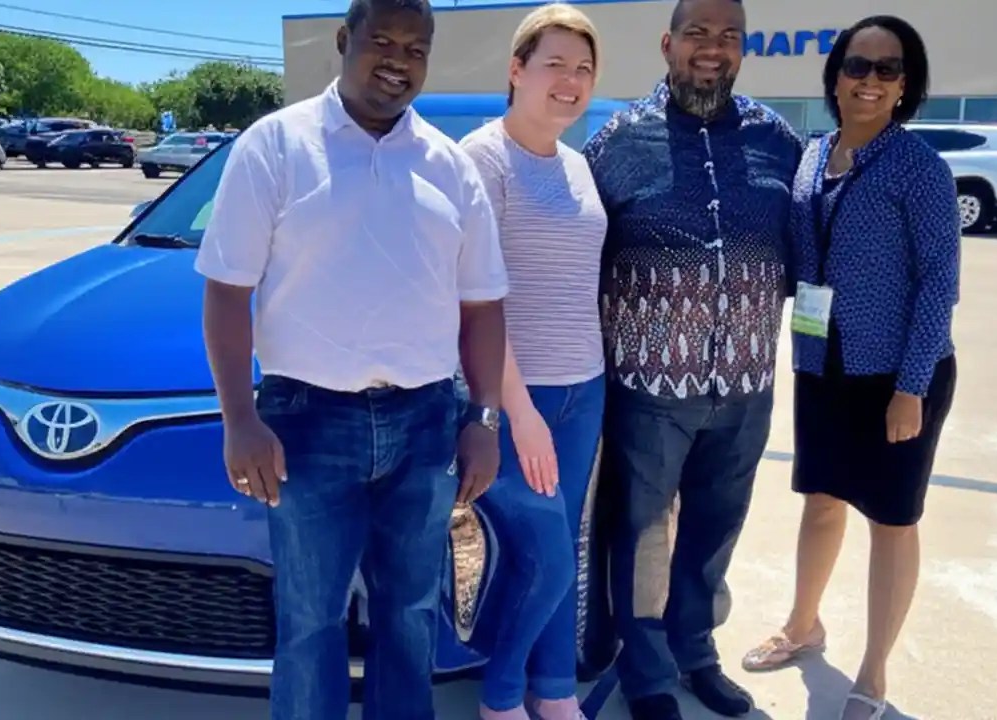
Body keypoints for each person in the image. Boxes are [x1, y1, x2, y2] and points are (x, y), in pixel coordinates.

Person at [194, 0, 510, 718]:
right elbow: (225, 290)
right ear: (344, 41)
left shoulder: (449, 167)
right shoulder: (274, 145)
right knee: (310, 621)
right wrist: (238, 418)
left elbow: (484, 306)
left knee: (409, 615)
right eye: (382, 41)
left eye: (416, 48)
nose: (398, 60)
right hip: (307, 423)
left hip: (426, 420)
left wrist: (483, 418)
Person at [580, 0, 804, 718]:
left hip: (745, 382)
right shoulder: (616, 142)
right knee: (643, 535)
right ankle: (645, 674)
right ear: (668, 44)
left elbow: (804, 257)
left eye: (729, 36)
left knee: (714, 531)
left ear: (743, 49)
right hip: (648, 388)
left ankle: (695, 654)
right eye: (698, 35)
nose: (713, 48)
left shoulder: (778, 142)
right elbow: (581, 259)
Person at [740, 15, 960, 720]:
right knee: (822, 500)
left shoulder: (919, 168)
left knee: (892, 519)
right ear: (834, 77)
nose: (869, 80)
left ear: (905, 86)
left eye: (887, 70)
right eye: (857, 66)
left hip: (897, 373)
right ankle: (804, 625)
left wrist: (911, 388)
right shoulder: (812, 156)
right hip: (822, 363)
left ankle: (874, 671)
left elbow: (938, 285)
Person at [457, 4, 607, 719]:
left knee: (559, 547)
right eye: (555, 64)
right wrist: (518, 412)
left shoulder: (579, 165)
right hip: (515, 395)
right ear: (516, 70)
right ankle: (501, 696)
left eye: (584, 69)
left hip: (586, 386)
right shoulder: (482, 161)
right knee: (546, 556)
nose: (571, 82)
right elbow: (475, 300)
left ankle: (555, 694)